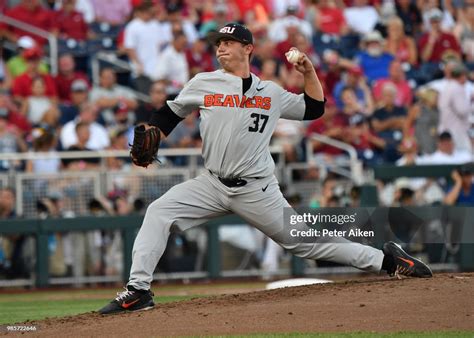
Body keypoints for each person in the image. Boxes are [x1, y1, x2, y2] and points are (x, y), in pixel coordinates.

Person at [98, 23, 432, 315]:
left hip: (256, 189)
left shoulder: (270, 92)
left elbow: (314, 109)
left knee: (306, 242)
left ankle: (388, 260)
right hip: (211, 184)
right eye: (218, 43)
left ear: (248, 49)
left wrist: (309, 72)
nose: (221, 47)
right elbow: (170, 114)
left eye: (228, 42)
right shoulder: (203, 82)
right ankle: (139, 291)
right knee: (158, 211)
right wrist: (153, 132)